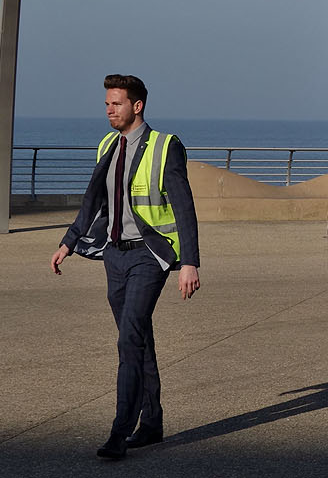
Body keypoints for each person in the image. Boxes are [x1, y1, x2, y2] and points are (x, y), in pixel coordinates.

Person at [51, 74, 200, 460]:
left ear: (138, 106)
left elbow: (184, 208)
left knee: (127, 338)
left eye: (116, 103)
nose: (109, 110)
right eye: (106, 103)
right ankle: (152, 424)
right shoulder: (107, 145)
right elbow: (93, 199)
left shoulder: (166, 147)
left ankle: (120, 431)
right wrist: (69, 242)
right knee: (138, 338)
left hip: (150, 256)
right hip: (114, 255)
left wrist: (189, 263)